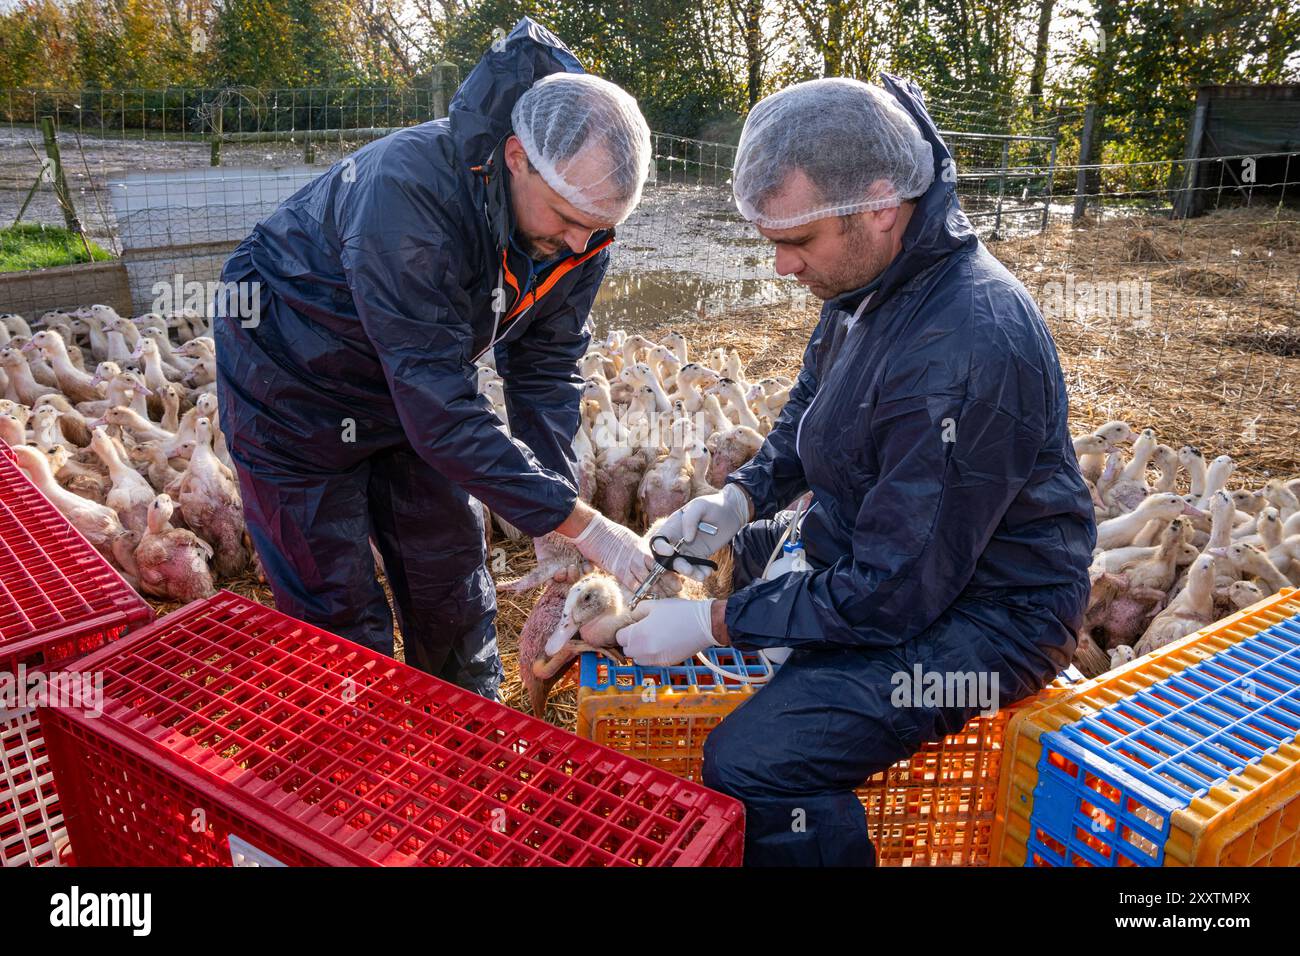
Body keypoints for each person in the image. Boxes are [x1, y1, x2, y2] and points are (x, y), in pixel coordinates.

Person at [616, 76, 1096, 866]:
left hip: (992, 615)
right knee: (751, 555)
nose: (780, 265)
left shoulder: (967, 346)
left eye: (797, 242)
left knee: (754, 761)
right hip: (893, 553)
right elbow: (813, 406)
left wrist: (711, 625)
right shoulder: (871, 284)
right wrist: (741, 497)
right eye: (772, 240)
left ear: (879, 203)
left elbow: (894, 593)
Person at [214, 18, 660, 701]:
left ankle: (467, 744)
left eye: (599, 230)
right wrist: (587, 524)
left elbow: (544, 368)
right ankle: (355, 771)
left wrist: (558, 526)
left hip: (416, 386)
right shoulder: (410, 194)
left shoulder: (580, 231)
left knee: (449, 575)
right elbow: (437, 406)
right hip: (294, 378)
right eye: (568, 218)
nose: (578, 244)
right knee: (336, 608)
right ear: (516, 156)